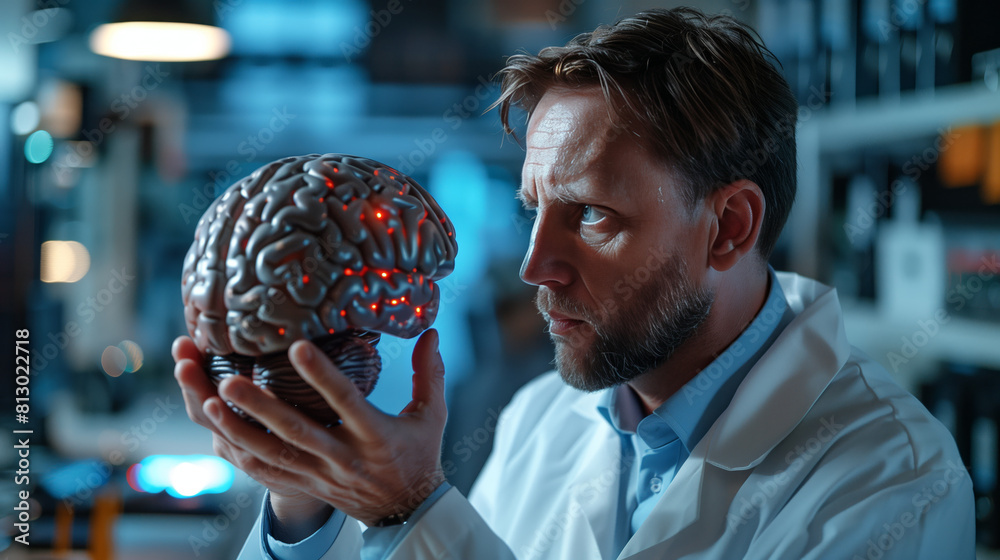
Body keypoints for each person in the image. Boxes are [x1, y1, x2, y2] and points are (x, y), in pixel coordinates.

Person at [172, 7, 975, 559]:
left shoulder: (894, 482)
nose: (534, 269)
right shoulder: (541, 419)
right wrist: (308, 499)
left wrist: (409, 510)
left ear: (728, 226)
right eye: (534, 212)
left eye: (590, 215)